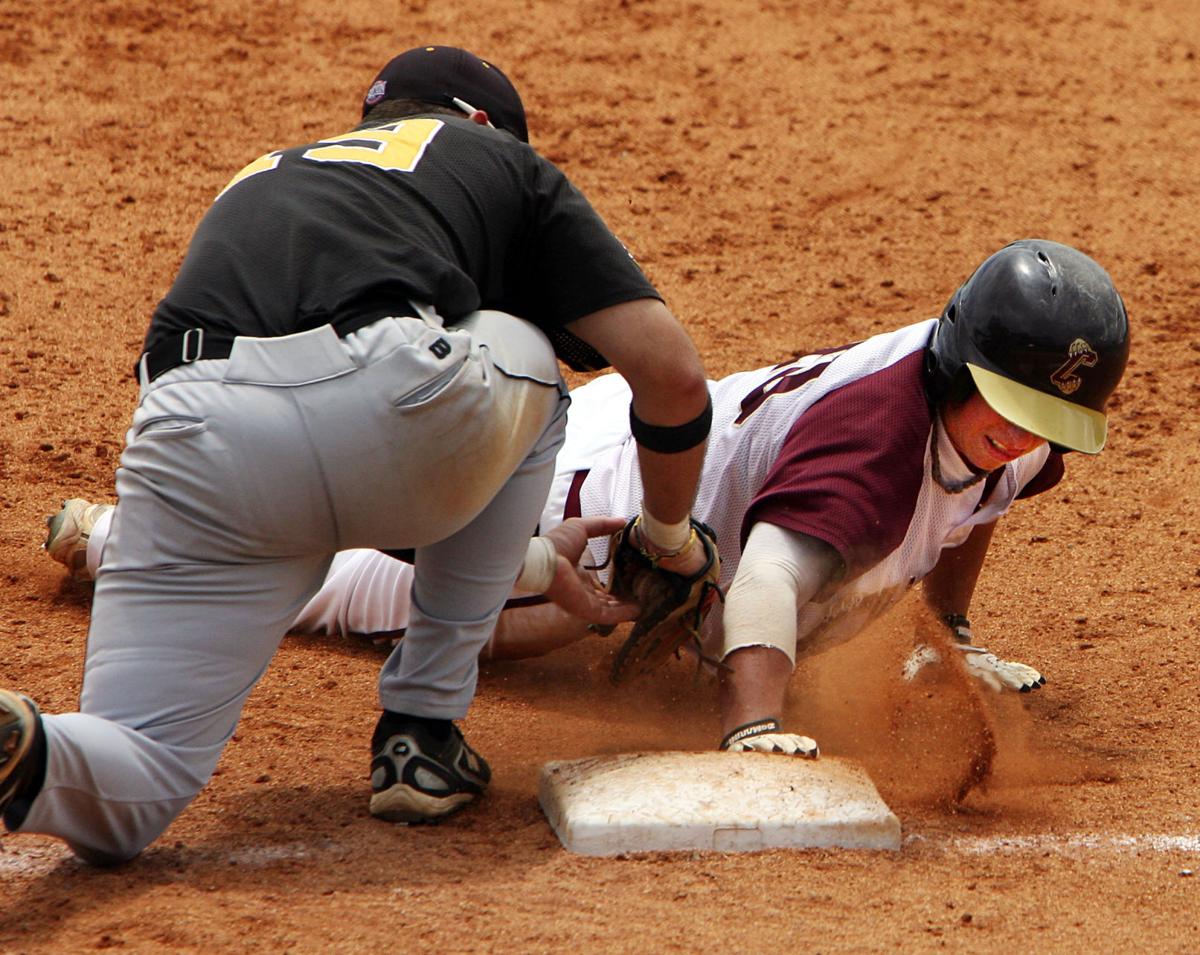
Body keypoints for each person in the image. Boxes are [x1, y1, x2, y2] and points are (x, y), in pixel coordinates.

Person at [1, 45, 715, 865]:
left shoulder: (267, 172)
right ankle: (425, 727)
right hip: (387, 403)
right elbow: (672, 376)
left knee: (131, 785)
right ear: (482, 122)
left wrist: (518, 562)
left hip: (190, 434)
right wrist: (667, 539)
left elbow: (326, 463)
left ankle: (33, 743)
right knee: (534, 370)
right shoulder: (494, 158)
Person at [43, 240, 1130, 760]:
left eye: (1046, 420)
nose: (1022, 435)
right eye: (1005, 406)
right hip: (579, 502)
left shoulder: (1008, 428)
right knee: (394, 593)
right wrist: (753, 728)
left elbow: (988, 499)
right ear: (953, 360)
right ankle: (131, 540)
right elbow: (765, 585)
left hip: (658, 455)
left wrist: (956, 626)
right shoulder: (875, 448)